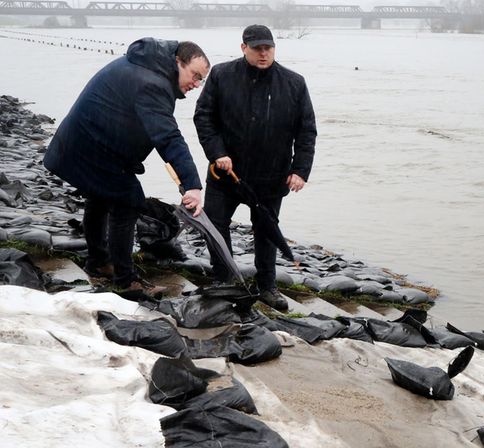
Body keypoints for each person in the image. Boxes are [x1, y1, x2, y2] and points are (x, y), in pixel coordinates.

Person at [44, 38, 208, 295]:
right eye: (195, 75)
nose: (196, 84)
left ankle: (99, 262)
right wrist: (193, 185)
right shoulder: (153, 83)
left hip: (86, 142)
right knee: (129, 201)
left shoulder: (147, 66)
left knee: (100, 198)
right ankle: (125, 280)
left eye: (202, 80)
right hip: (92, 146)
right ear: (178, 62)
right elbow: (168, 137)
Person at [194, 24, 317, 312]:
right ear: (243, 48)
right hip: (226, 174)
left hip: (271, 176)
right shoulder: (222, 75)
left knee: (265, 230)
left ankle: (267, 286)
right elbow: (204, 118)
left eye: (268, 48)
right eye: (257, 48)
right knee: (215, 225)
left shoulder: (294, 83)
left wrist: (300, 170)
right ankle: (223, 277)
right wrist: (217, 152)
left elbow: (307, 131)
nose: (263, 53)